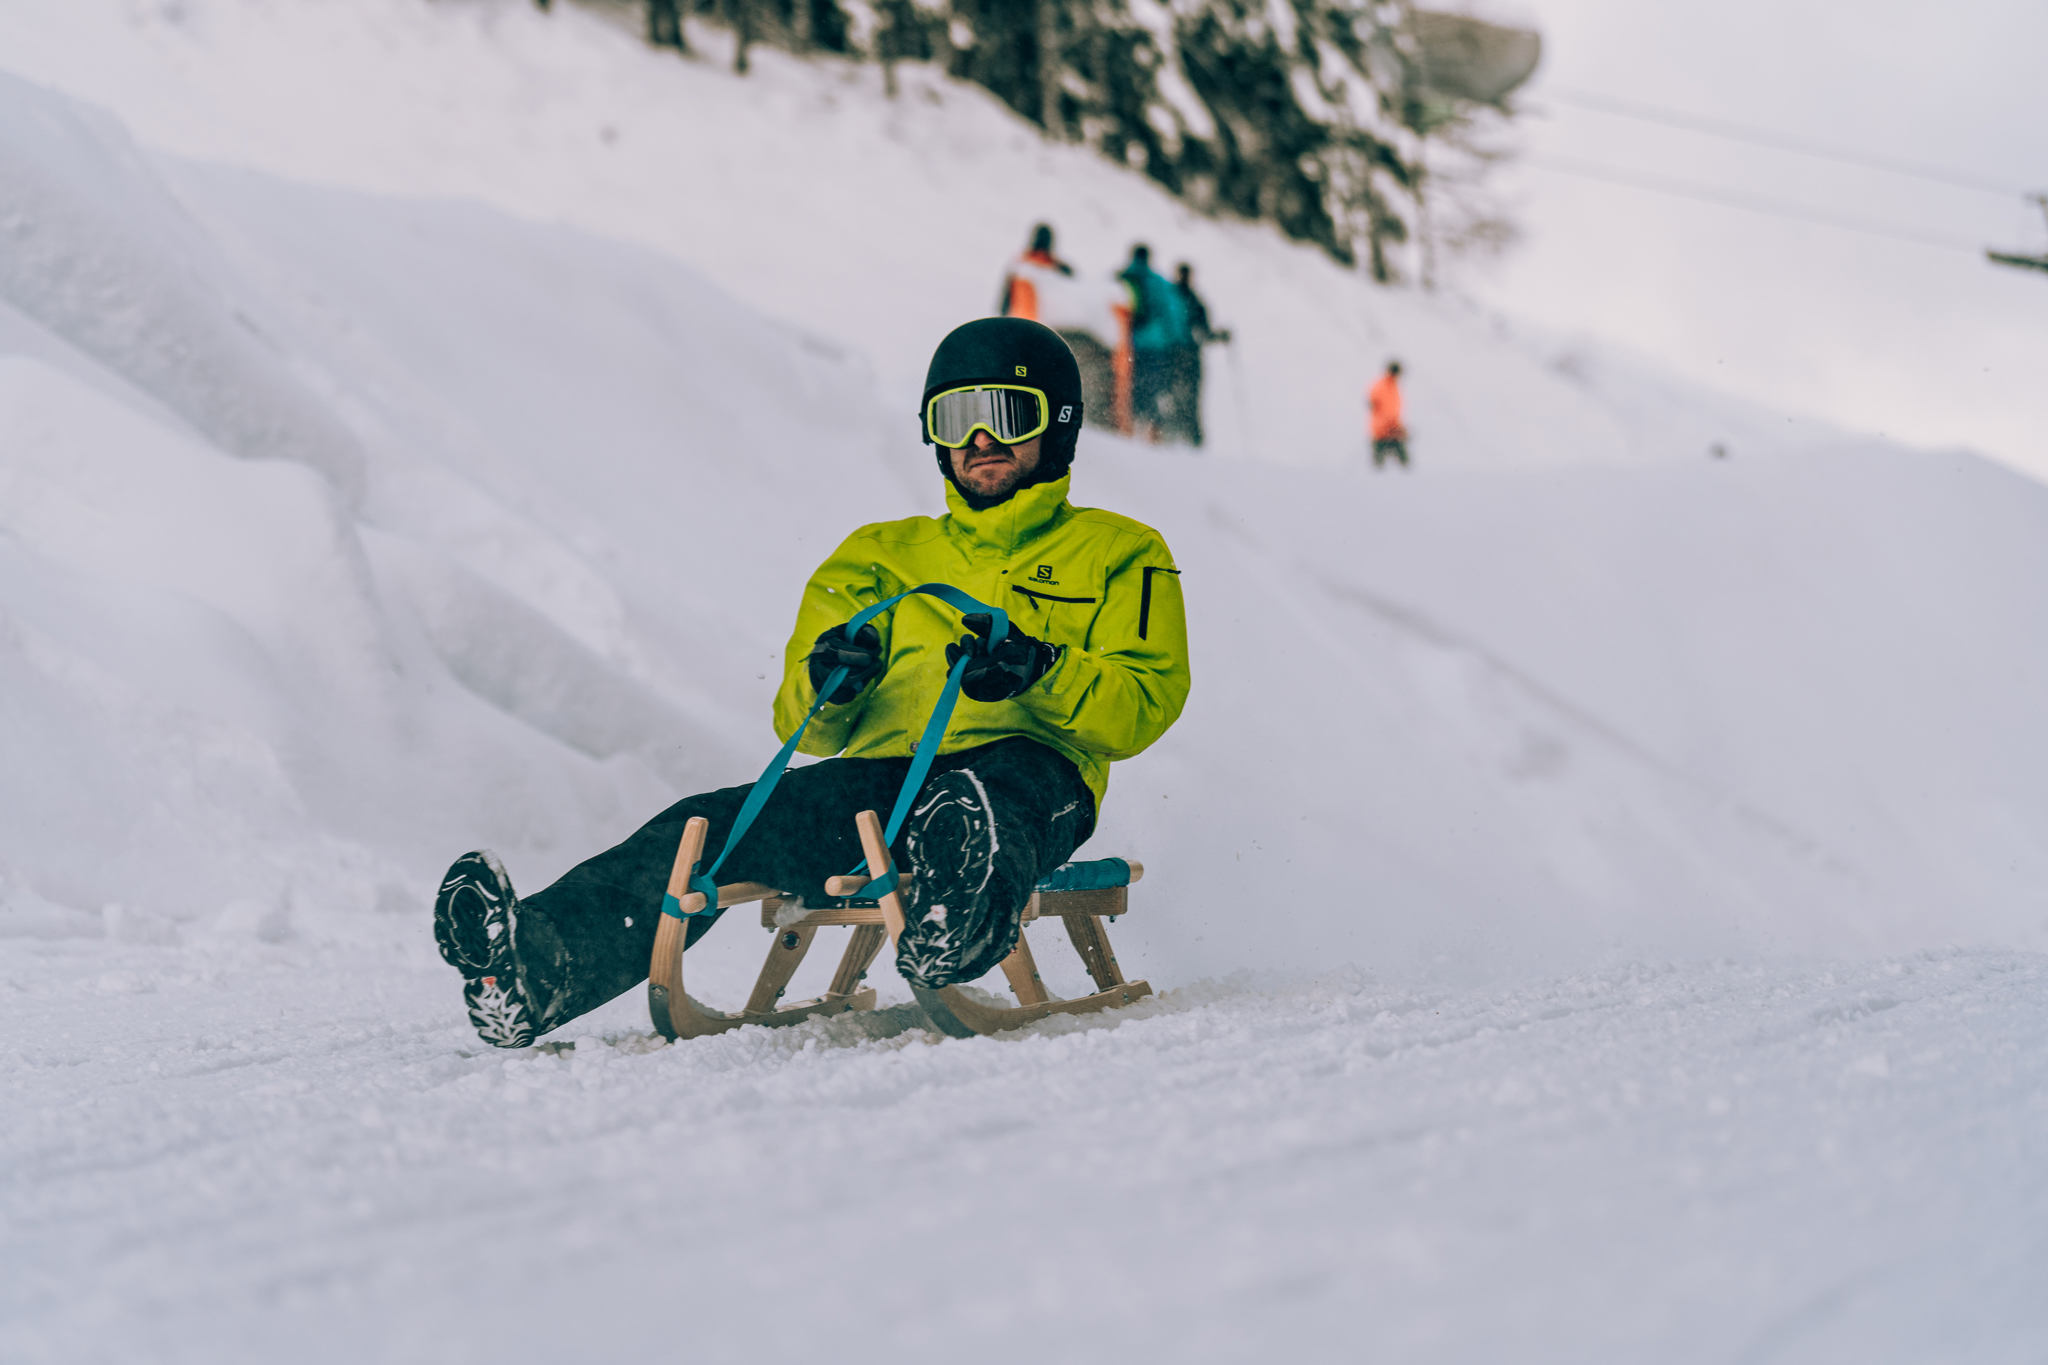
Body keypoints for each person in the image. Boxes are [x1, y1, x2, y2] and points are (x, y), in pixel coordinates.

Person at [433, 318, 1193, 1047]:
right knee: (712, 823)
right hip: (881, 786)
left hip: (1036, 772)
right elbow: (802, 723)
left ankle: (952, 924)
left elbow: (1144, 705)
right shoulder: (878, 556)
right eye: (954, 417)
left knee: (987, 805)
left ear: (1056, 422)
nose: (979, 439)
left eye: (1002, 412)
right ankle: (533, 966)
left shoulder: (1121, 552)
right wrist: (834, 682)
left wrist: (1042, 673)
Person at [1116, 244, 1186, 441]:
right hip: (1156, 345)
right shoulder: (1158, 282)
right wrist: (1177, 341)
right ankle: (1151, 431)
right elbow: (1171, 313)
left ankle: (1127, 426)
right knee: (1153, 386)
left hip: (1126, 344)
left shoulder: (1122, 278)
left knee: (1130, 385)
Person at [1166, 263, 1221, 447]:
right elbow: (1205, 333)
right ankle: (1194, 441)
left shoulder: (1168, 297)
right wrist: (1220, 336)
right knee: (1191, 400)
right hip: (1190, 356)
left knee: (1172, 397)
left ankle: (1173, 440)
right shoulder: (1194, 301)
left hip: (1170, 356)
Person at [998, 223, 1075, 322]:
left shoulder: (1019, 266)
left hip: (1021, 324)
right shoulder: (1059, 268)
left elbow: (1003, 305)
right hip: (1049, 328)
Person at [1369, 360, 1407, 468]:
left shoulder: (1393, 386)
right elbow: (1377, 408)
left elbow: (1393, 411)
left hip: (1392, 430)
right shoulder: (1383, 387)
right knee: (1380, 466)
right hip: (1382, 432)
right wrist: (1391, 426)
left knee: (1402, 464)